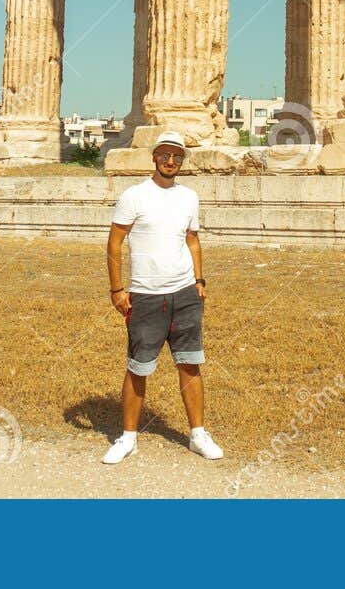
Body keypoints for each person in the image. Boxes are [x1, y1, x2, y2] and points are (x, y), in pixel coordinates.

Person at [102, 131, 222, 463]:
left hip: (184, 293)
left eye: (177, 157)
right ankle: (127, 437)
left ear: (182, 161)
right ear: (154, 157)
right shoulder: (134, 195)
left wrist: (199, 280)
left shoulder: (189, 197)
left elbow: (193, 240)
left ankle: (197, 434)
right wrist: (116, 289)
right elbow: (114, 244)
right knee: (138, 368)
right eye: (165, 155)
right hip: (146, 294)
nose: (171, 161)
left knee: (190, 364)